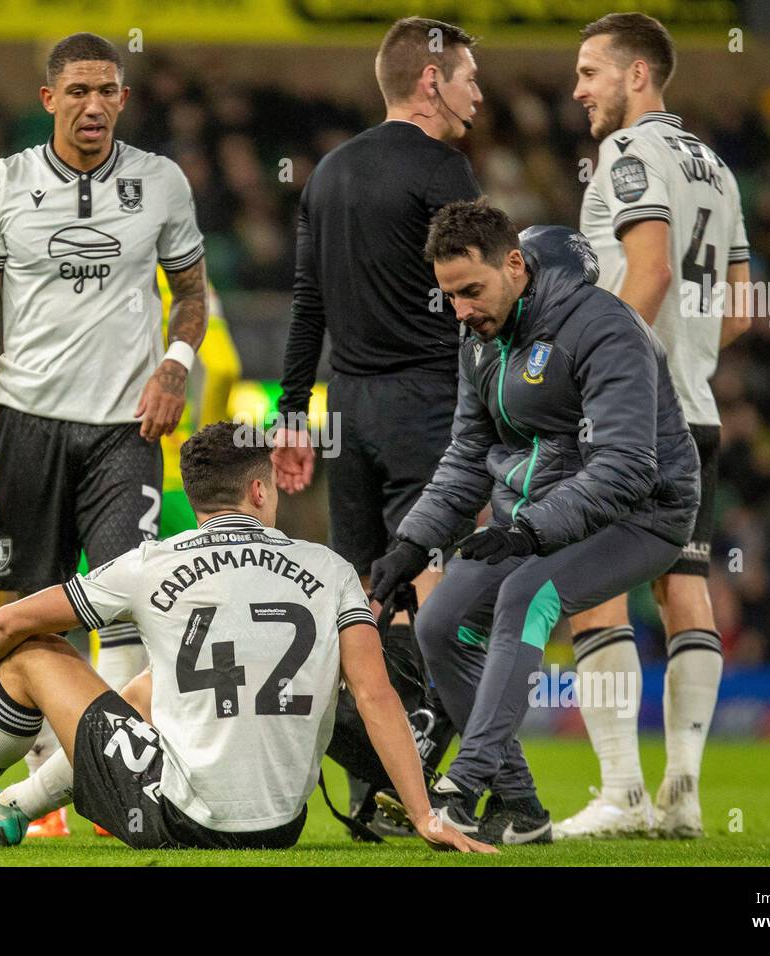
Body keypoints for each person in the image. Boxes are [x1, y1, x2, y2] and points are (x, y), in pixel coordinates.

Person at [0, 422, 493, 855]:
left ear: (193, 499)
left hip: (181, 817)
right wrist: (422, 815)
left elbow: (7, 622)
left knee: (28, 655)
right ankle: (14, 809)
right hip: (280, 828)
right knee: (148, 686)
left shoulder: (151, 563)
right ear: (258, 488)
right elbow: (376, 694)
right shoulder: (328, 570)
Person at [368, 200, 700, 843]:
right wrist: (411, 544)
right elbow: (467, 456)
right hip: (540, 518)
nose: (461, 311)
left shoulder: (605, 328)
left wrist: (529, 531)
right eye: (450, 296)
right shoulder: (481, 341)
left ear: (514, 264)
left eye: (471, 291)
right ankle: (520, 807)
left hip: (647, 515)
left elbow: (630, 465)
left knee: (528, 593)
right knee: (440, 622)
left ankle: (463, 788)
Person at [0, 33, 207, 834]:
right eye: (79, 91)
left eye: (108, 91)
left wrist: (174, 364)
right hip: (26, 426)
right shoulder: (1, 187)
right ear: (49, 100)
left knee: (128, 605)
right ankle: (43, 783)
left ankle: (99, 788)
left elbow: (193, 296)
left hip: (124, 430)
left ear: (124, 98)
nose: (94, 105)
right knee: (24, 612)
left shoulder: (161, 183)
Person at [273, 14, 483, 828]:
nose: (477, 91)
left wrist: (293, 415)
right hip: (429, 406)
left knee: (366, 602)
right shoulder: (443, 168)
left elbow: (307, 304)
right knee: (444, 595)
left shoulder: (327, 172)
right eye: (468, 76)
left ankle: (374, 783)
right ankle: (436, 776)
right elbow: (479, 298)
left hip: (346, 413)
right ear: (429, 80)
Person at [561, 12, 751, 839]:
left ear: (638, 75)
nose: (578, 90)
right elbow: (740, 307)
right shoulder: (716, 166)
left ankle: (621, 795)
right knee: (685, 587)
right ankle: (685, 795)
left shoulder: (628, 153)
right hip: (697, 409)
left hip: (630, 414)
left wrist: (600, 373)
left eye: (590, 72)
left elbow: (650, 270)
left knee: (593, 592)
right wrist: (689, 354)